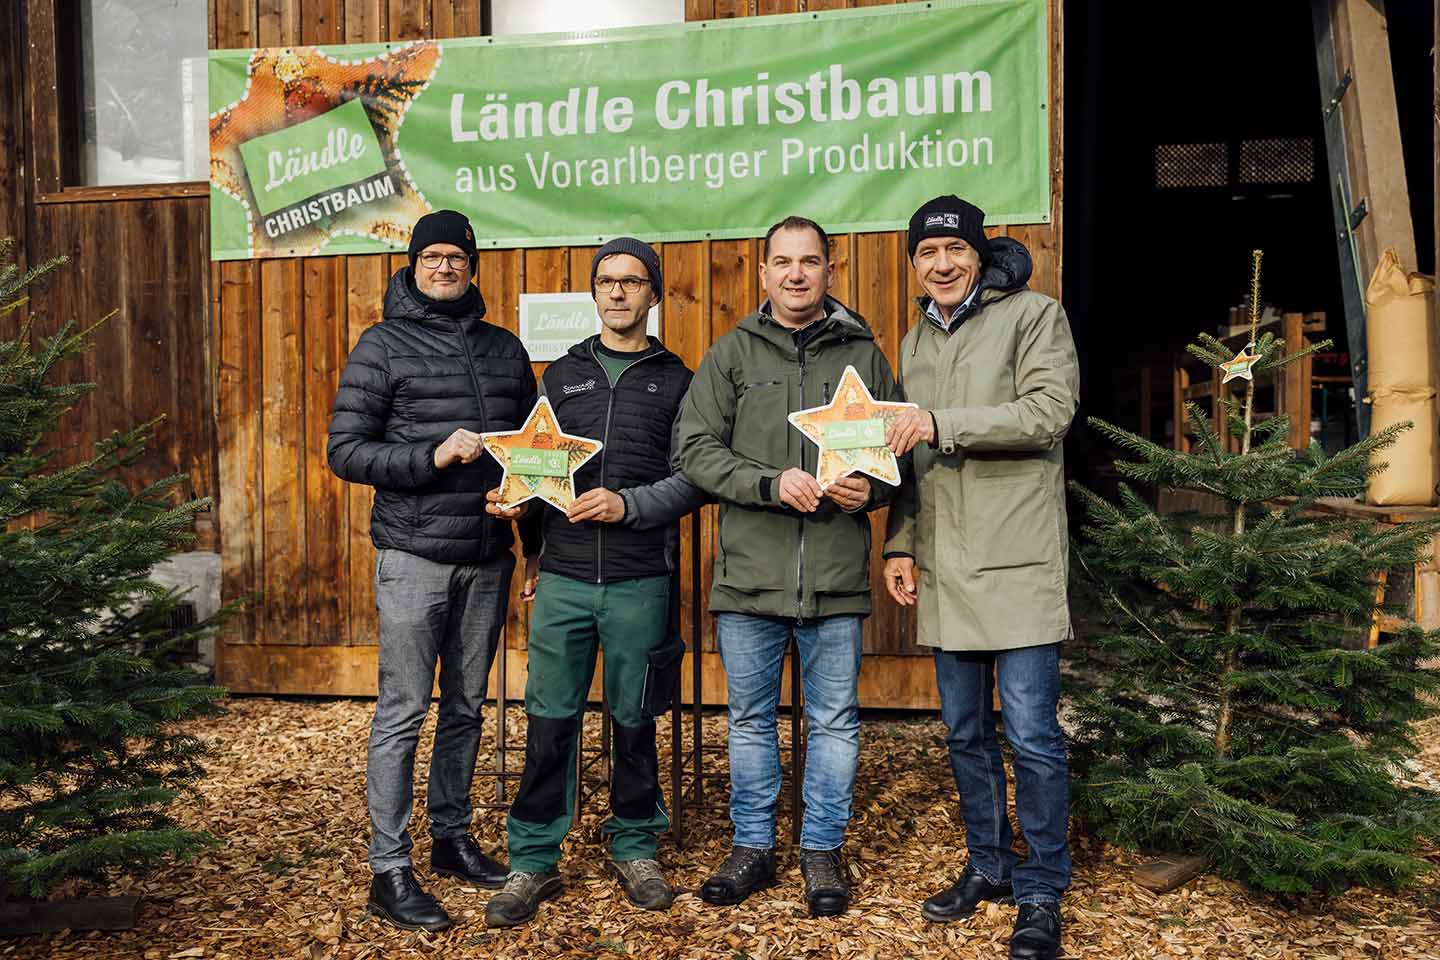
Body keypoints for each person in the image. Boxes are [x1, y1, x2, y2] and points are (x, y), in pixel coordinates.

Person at [677, 216, 901, 918]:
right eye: (783, 262)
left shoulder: (865, 353)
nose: (797, 274)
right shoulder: (732, 354)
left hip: (834, 578)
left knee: (834, 720)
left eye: (810, 262)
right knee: (748, 720)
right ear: (764, 272)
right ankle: (751, 847)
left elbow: (897, 463)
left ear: (831, 270)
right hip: (749, 577)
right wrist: (767, 483)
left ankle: (821, 851)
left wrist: (875, 490)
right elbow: (693, 448)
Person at [482, 238, 706, 927]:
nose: (618, 293)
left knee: (634, 719)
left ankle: (636, 844)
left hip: (641, 578)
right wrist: (523, 522)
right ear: (594, 292)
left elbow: (696, 475)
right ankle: (532, 859)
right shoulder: (562, 377)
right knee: (549, 719)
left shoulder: (677, 378)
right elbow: (540, 469)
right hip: (566, 579)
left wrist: (629, 505)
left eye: (632, 282)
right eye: (607, 282)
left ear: (653, 294)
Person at [327, 209, 537, 933]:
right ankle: (390, 869)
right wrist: (430, 457)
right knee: (402, 713)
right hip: (414, 558)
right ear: (413, 265)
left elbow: (531, 453)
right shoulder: (381, 345)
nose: (444, 267)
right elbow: (346, 451)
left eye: (456, 257)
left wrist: (528, 532)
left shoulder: (505, 349)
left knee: (468, 709)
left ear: (473, 267)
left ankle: (450, 839)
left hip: (487, 560)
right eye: (432, 257)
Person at [882, 196, 1079, 960]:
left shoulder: (1034, 316)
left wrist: (943, 422)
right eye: (928, 254)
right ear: (914, 263)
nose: (942, 264)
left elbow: (1047, 413)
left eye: (955, 251)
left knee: (1031, 737)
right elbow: (911, 456)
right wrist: (901, 543)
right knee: (965, 733)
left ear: (978, 253)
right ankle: (989, 867)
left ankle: (1042, 886)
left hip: (1019, 558)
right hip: (947, 565)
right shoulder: (915, 338)